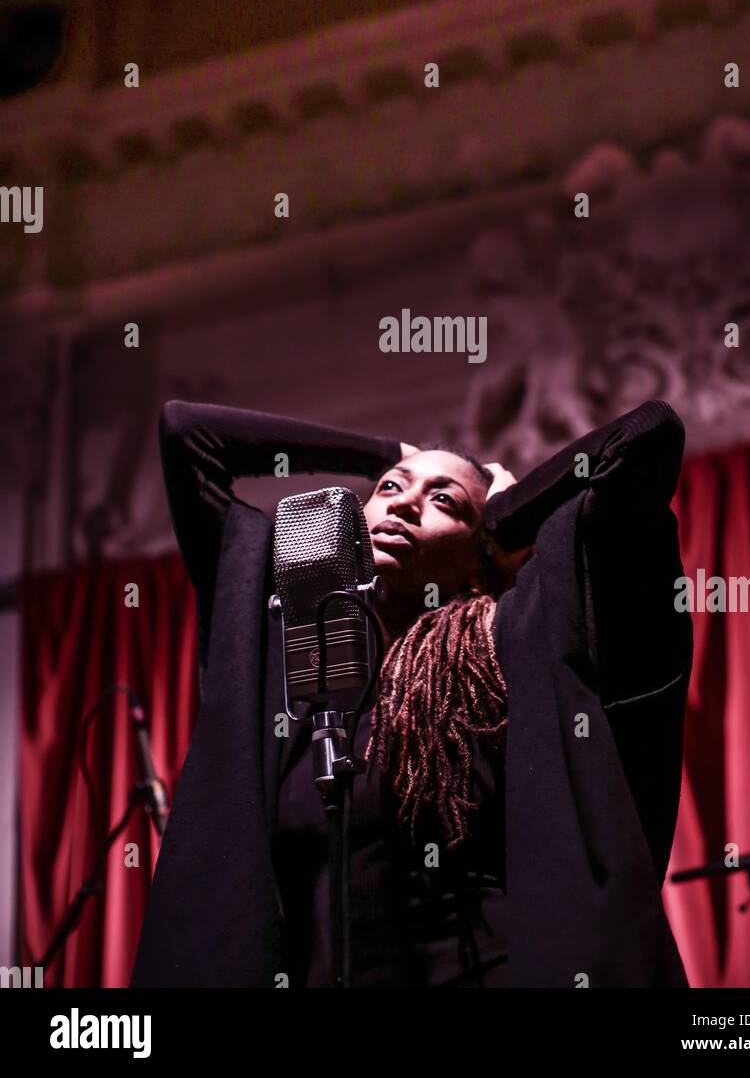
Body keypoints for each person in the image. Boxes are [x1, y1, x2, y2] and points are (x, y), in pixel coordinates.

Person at [131, 396, 692, 988]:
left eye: (444, 500)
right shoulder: (294, 671)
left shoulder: (514, 643)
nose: (405, 503)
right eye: (390, 489)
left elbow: (647, 437)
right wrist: (386, 453)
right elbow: (187, 434)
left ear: (481, 559)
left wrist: (507, 511)